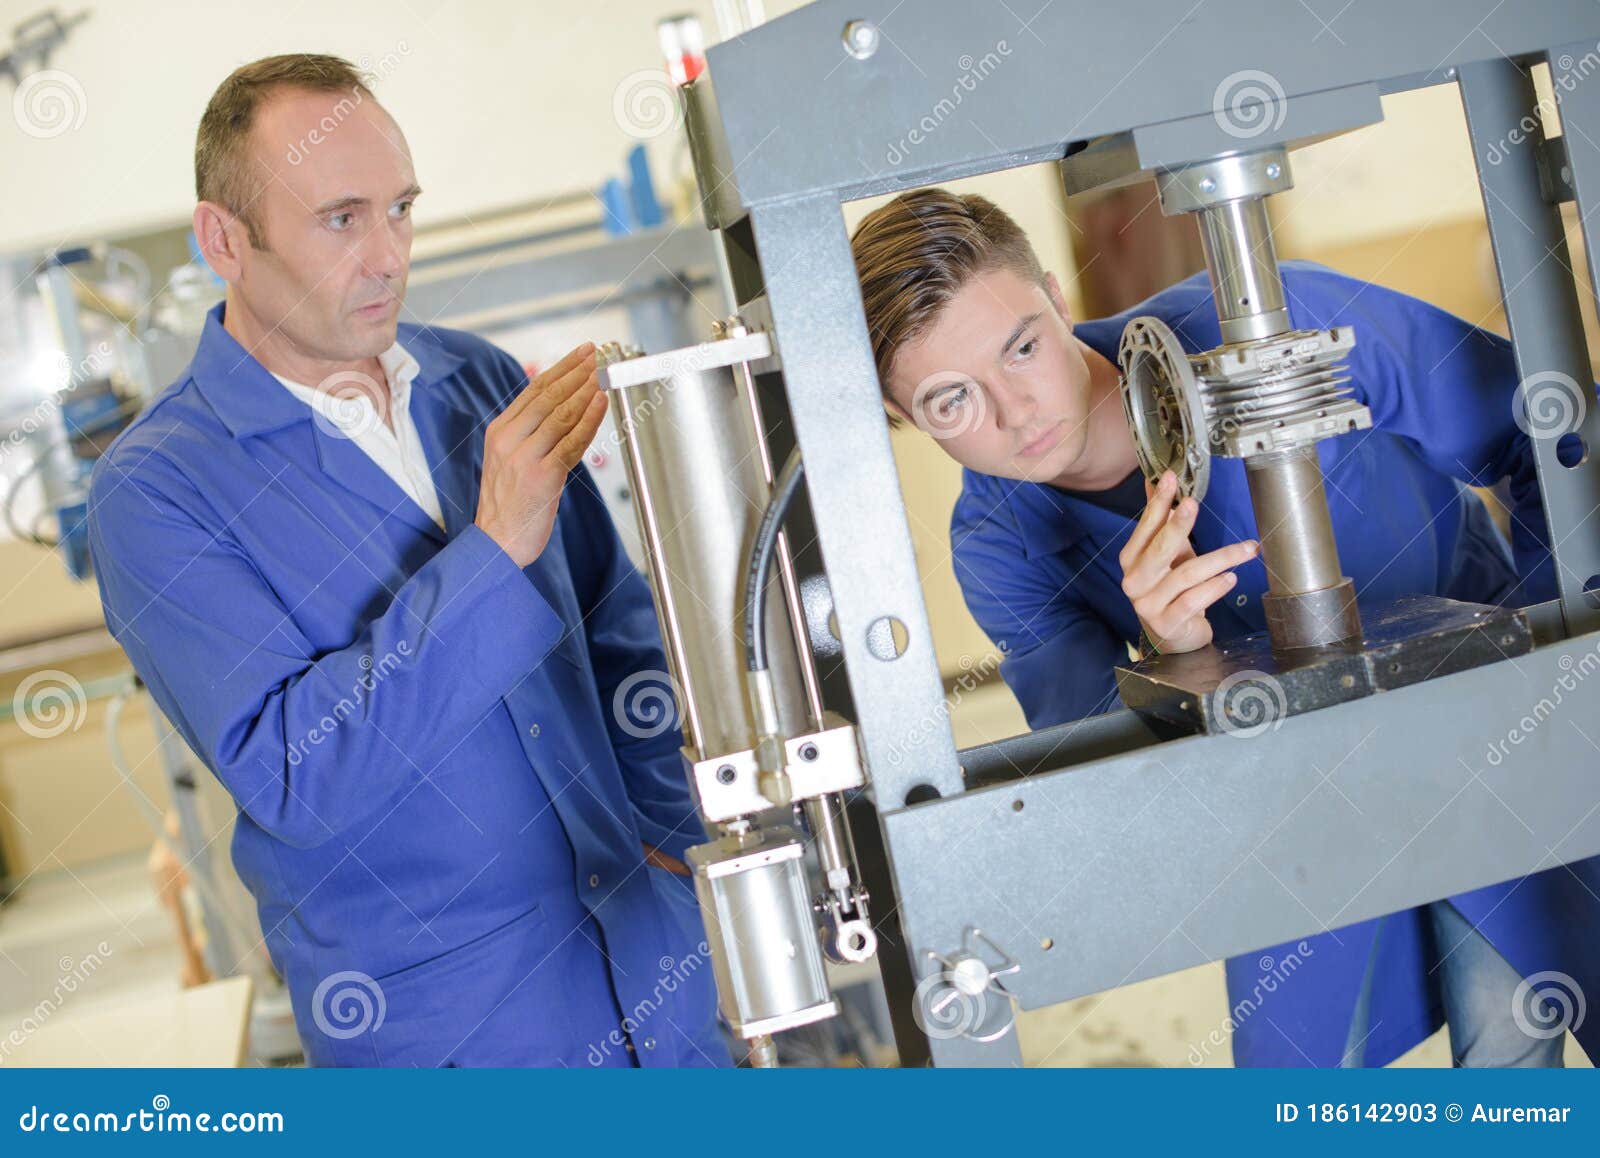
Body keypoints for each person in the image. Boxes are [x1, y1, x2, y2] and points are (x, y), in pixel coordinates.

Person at [849, 186, 1598, 1067]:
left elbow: (1553, 432)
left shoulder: (1281, 326)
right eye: (951, 401)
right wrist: (1177, 666)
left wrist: (1555, 653)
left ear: (1055, 296)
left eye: (1022, 348)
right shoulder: (998, 544)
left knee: (1509, 1035)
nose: (1015, 412)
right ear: (901, 420)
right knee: (1300, 1081)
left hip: (1491, 720)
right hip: (1296, 811)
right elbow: (1097, 772)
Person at [88, 54, 727, 1068]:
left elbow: (619, 634)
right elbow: (294, 773)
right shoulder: (156, 490)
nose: (387, 256)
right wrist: (493, 549)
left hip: (656, 969)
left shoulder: (475, 380)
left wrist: (679, 844)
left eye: (400, 210)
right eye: (341, 219)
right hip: (456, 1036)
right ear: (224, 240)